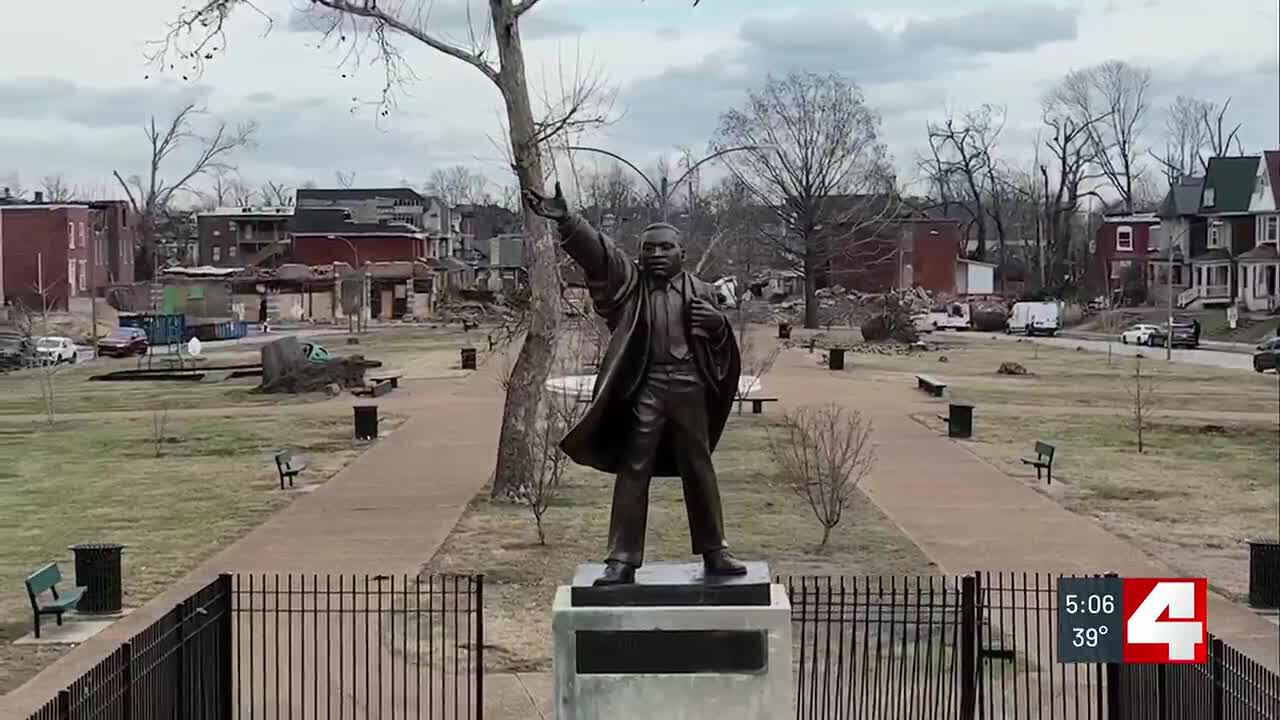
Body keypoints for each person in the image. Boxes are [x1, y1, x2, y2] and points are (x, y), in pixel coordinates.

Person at [524, 182, 746, 586]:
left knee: (699, 467)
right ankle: (622, 559)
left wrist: (717, 329)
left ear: (682, 253)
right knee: (634, 468)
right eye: (649, 249)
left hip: (688, 388)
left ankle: (715, 552)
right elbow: (602, 254)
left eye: (665, 248)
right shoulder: (630, 288)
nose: (656, 255)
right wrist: (569, 221)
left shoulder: (704, 293)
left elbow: (723, 353)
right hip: (646, 388)